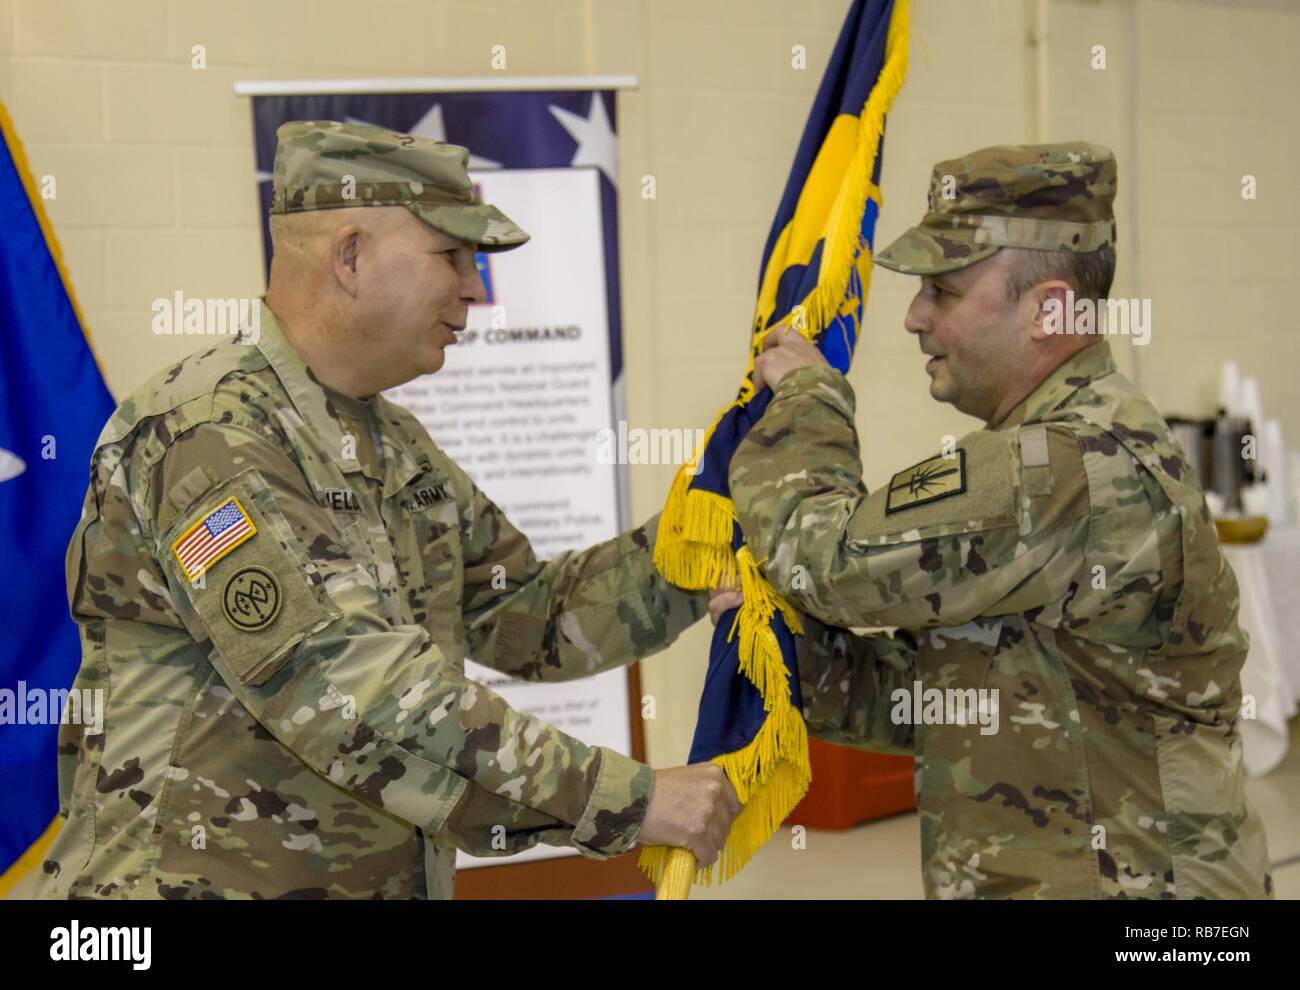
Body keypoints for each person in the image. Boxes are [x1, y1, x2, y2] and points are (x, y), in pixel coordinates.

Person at [38, 120, 738, 900]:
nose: (475, 288)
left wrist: (701, 545)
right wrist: (629, 799)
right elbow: (347, 691)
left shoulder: (391, 443)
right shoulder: (209, 431)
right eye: (452, 256)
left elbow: (534, 617)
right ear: (350, 255)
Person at [717, 142, 1271, 899]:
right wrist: (785, 645)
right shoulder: (1046, 449)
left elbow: (828, 559)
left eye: (942, 291)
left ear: (1047, 309)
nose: (914, 317)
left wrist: (808, 402)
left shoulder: (1064, 465)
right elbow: (947, 696)